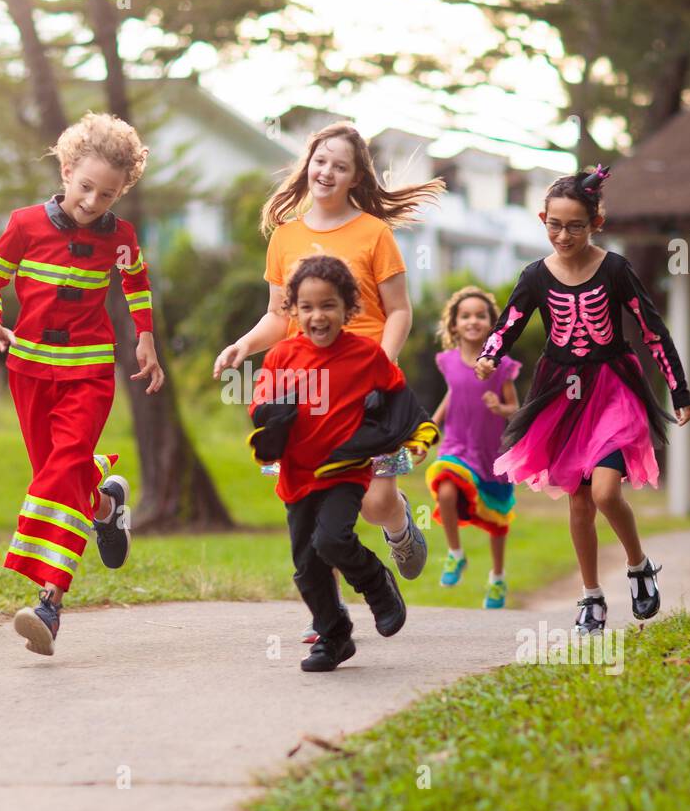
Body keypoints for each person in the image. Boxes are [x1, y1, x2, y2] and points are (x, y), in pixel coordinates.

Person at [214, 121, 445, 640]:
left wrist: (378, 371)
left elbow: (400, 311)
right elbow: (278, 316)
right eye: (321, 161)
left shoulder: (373, 233)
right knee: (318, 500)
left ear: (354, 176)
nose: (327, 172)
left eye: (340, 166)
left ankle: (399, 526)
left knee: (375, 500)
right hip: (311, 390)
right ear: (308, 163)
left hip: (365, 381)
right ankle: (330, 614)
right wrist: (244, 346)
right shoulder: (286, 236)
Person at [0, 112, 165, 657]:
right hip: (29, 368)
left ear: (120, 192)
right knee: (54, 471)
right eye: (85, 188)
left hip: (89, 369)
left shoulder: (121, 236)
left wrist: (145, 339)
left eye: (106, 195)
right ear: (66, 169)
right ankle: (104, 506)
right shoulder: (25, 224)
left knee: (61, 468)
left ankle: (49, 602)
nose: (91, 202)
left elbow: (137, 283)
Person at [476, 165, 690, 633]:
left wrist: (678, 386)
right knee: (578, 505)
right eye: (555, 224)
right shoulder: (535, 275)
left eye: (575, 225)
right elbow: (509, 323)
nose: (563, 234)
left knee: (605, 490)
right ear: (542, 220)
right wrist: (490, 356)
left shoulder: (614, 268)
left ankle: (638, 565)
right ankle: (591, 597)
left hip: (613, 388)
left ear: (595, 223)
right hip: (562, 395)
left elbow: (651, 327)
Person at [248, 255, 438, 672]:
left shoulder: (366, 355)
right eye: (308, 307)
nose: (318, 315)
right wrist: (268, 418)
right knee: (307, 569)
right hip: (298, 476)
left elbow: (398, 398)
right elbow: (260, 403)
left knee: (332, 541)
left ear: (348, 309)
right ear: (292, 311)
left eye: (329, 305)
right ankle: (334, 637)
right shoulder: (280, 357)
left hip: (345, 472)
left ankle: (377, 584)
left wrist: (419, 432)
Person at [426, 286, 521, 608]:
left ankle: (497, 578)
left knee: (497, 520)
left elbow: (516, 408)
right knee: (446, 489)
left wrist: (501, 407)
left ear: (493, 325)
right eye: (465, 316)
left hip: (491, 451)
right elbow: (453, 394)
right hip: (456, 444)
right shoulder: (447, 361)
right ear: (454, 325)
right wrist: (430, 428)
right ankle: (455, 554)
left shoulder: (501, 364)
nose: (473, 321)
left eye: (481, 316)